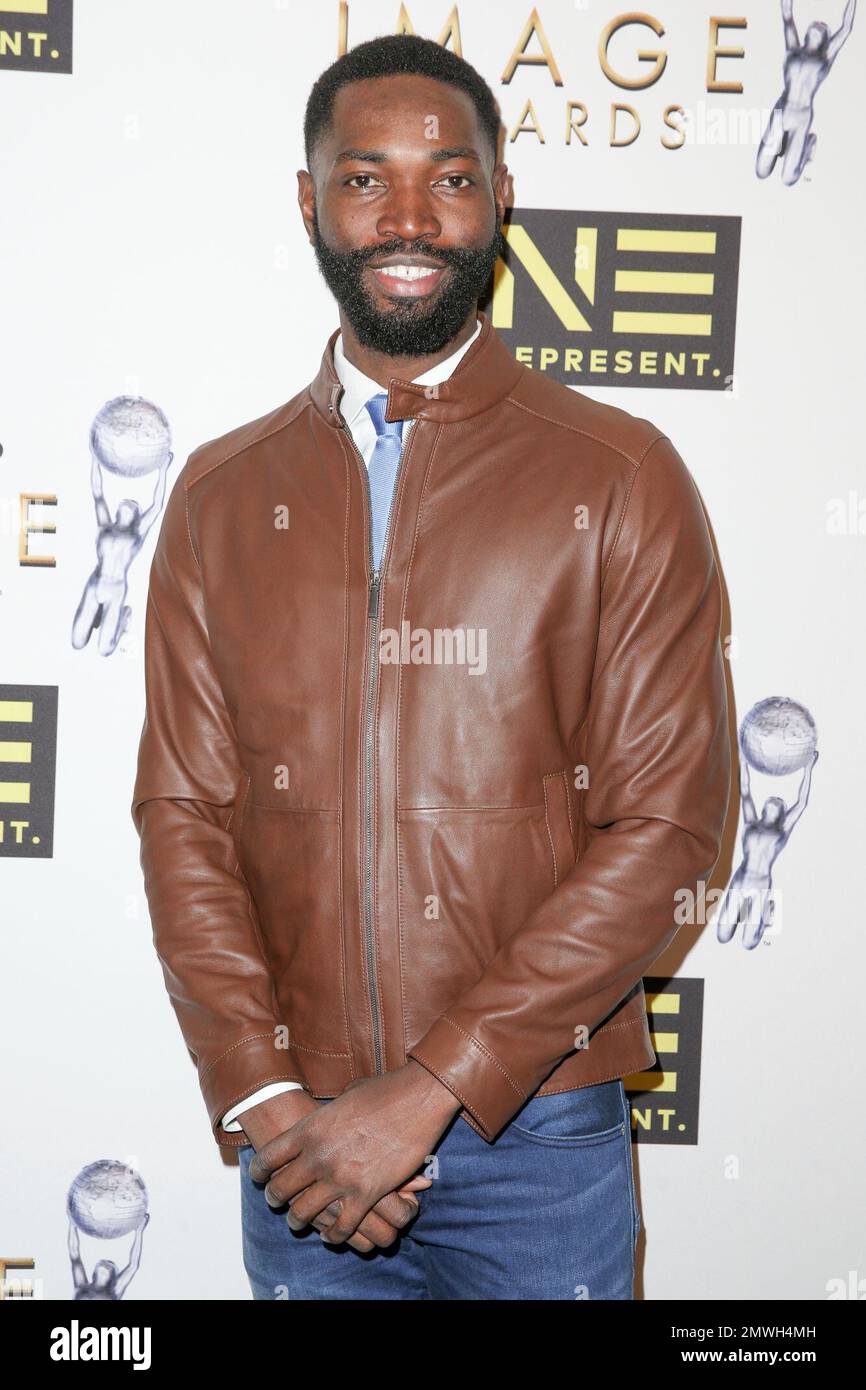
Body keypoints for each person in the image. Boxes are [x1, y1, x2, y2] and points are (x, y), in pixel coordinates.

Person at [131, 33, 731, 1300]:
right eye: (364, 179)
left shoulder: (618, 475)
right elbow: (184, 817)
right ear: (308, 201)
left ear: (500, 197)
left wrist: (432, 1085)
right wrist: (269, 1090)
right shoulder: (218, 495)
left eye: (448, 178)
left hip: (537, 1136)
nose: (408, 216)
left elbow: (667, 825)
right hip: (298, 1146)